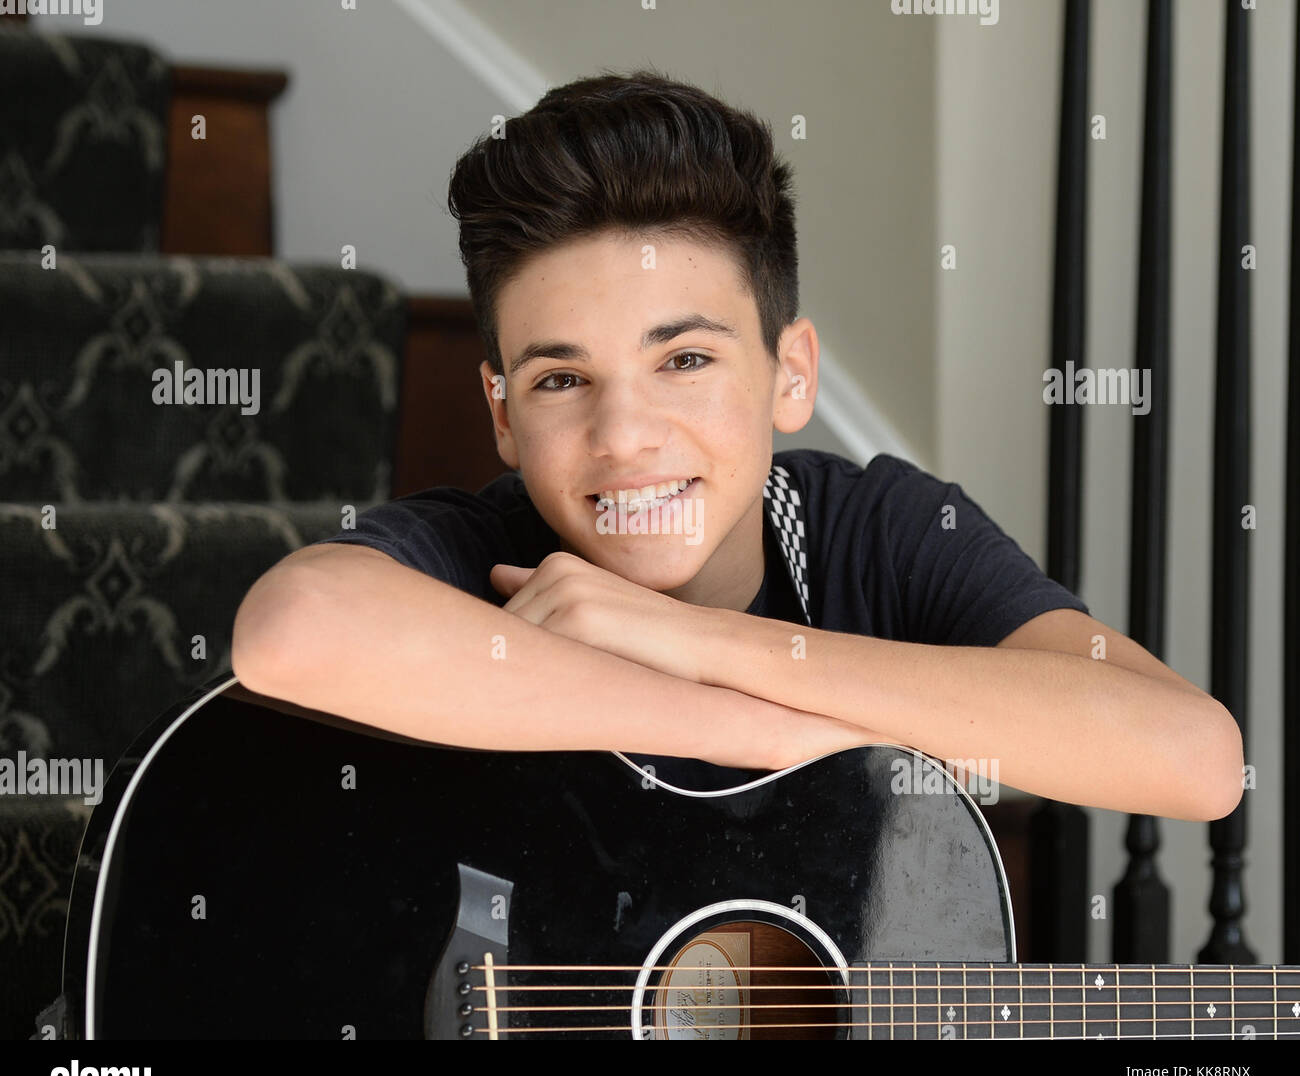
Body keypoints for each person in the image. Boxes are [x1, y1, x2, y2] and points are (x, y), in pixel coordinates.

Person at [231, 67, 1241, 819]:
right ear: (501, 413)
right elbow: (290, 628)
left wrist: (700, 642)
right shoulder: (478, 557)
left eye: (684, 360)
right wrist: (760, 731)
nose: (622, 435)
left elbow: (1193, 756)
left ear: (791, 374)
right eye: (561, 380)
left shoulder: (875, 528)